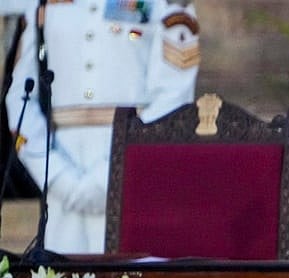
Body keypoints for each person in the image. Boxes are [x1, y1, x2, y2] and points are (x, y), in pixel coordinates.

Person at [4, 0, 199, 254]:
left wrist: (114, 173)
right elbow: (20, 96)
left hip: (135, 177)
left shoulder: (166, 4)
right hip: (60, 178)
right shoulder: (43, 3)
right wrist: (55, 176)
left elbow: (173, 98)